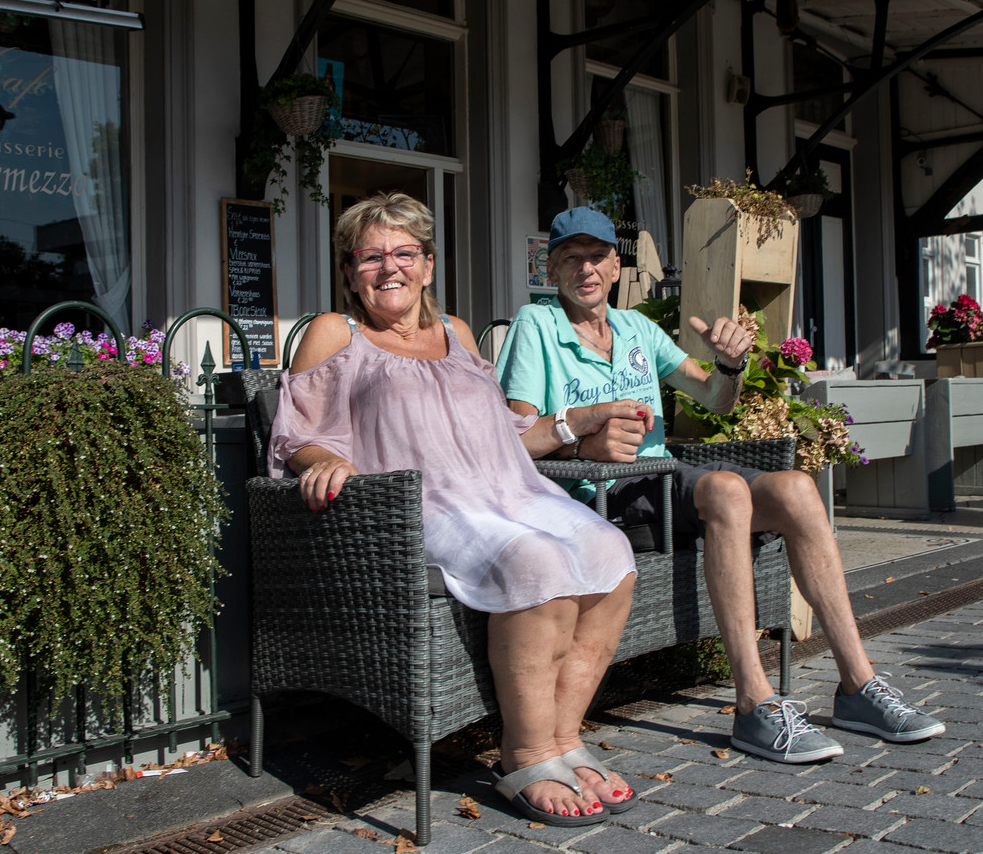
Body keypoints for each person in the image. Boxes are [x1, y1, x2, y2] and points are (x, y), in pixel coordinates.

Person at [496, 206, 945, 764]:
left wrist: (730, 368)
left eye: (596, 257)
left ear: (615, 266)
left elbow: (713, 399)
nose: (585, 269)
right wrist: (579, 443)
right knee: (727, 489)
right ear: (552, 269)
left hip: (661, 478)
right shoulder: (536, 326)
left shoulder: (636, 328)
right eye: (570, 258)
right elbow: (517, 437)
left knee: (798, 489)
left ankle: (858, 683)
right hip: (599, 494)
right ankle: (754, 703)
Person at [268, 193, 647, 826]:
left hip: (506, 490)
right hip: (423, 505)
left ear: (429, 264)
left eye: (404, 253)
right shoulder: (337, 333)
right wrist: (319, 462)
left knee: (612, 550)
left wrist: (573, 428)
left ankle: (563, 738)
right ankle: (524, 752)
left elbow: (505, 430)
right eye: (371, 256)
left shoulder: (458, 333)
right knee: (536, 561)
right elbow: (296, 433)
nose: (389, 267)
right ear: (349, 270)